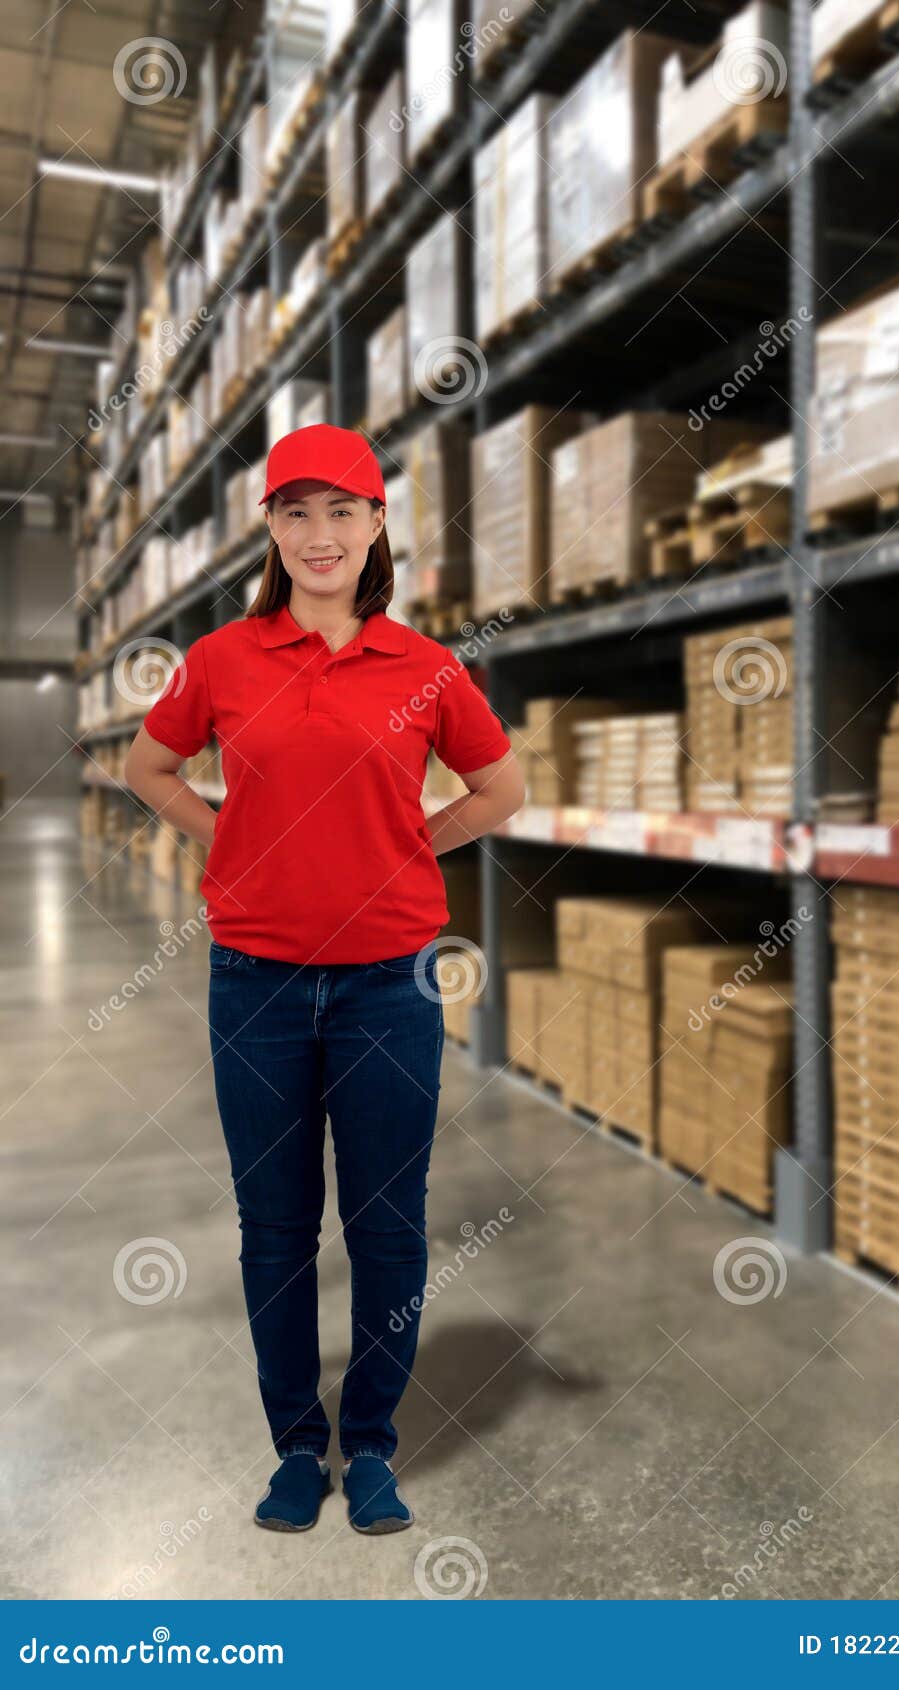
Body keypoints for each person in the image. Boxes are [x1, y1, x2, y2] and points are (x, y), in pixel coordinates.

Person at [125, 423, 525, 1534]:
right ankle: (298, 1446)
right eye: (295, 513)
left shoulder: (425, 667)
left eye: (342, 510)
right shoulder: (223, 660)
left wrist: (405, 846)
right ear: (269, 528)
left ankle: (376, 1444)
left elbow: (500, 789)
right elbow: (146, 764)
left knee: (390, 1225)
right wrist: (224, 836)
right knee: (275, 1226)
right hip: (254, 982)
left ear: (378, 523)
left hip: (388, 982)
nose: (320, 534)